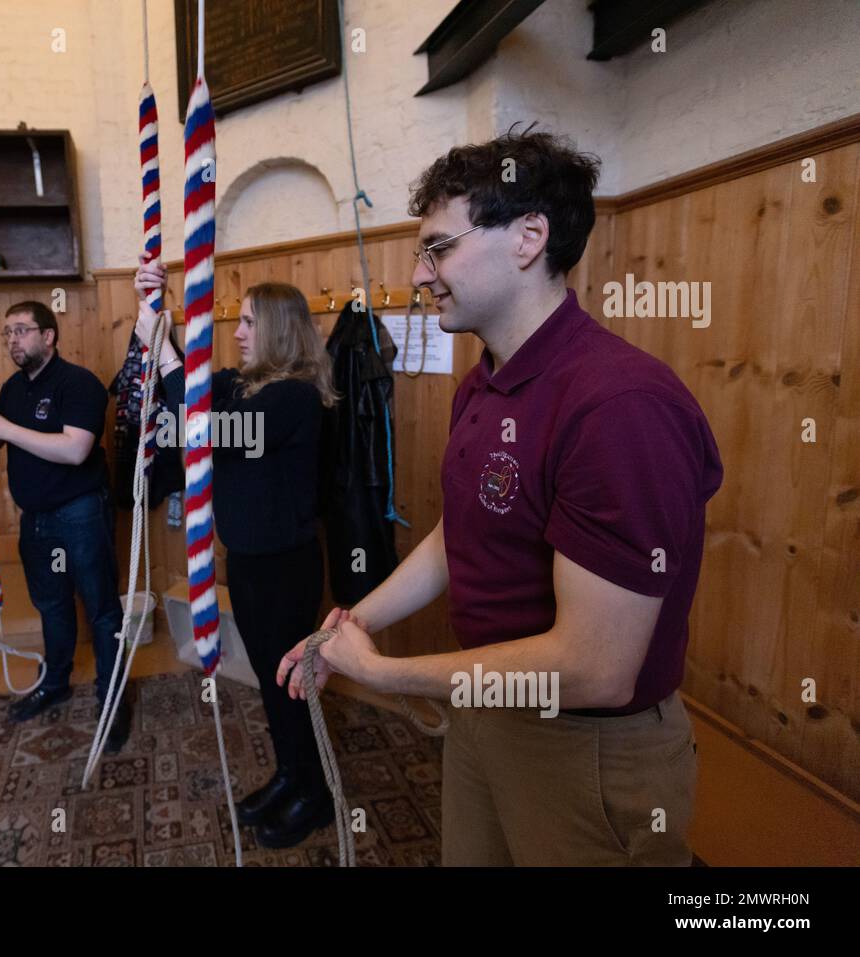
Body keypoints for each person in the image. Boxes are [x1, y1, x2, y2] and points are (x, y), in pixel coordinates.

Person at [277, 129, 724, 866]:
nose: (420, 275)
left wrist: (385, 673)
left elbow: (596, 667)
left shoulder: (619, 405)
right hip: (489, 705)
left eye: (438, 248)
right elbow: (464, 533)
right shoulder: (482, 384)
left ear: (529, 238)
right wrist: (351, 625)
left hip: (587, 743)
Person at [133, 266, 339, 849]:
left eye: (249, 321)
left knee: (291, 684)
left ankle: (315, 796)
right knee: (273, 684)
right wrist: (156, 303)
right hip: (249, 564)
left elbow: (205, 431)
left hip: (284, 570)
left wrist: (170, 363)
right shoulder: (244, 384)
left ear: (276, 329)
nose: (239, 330)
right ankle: (290, 775)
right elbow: (188, 395)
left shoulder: (294, 398)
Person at [0, 301, 131, 752]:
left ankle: (112, 699)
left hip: (80, 514)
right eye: (7, 332)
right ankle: (55, 681)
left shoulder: (80, 384)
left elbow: (75, 450)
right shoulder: (14, 389)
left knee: (102, 609)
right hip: (36, 520)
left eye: (22, 330)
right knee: (52, 605)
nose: (13, 339)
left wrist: (5, 429)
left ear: (49, 336)